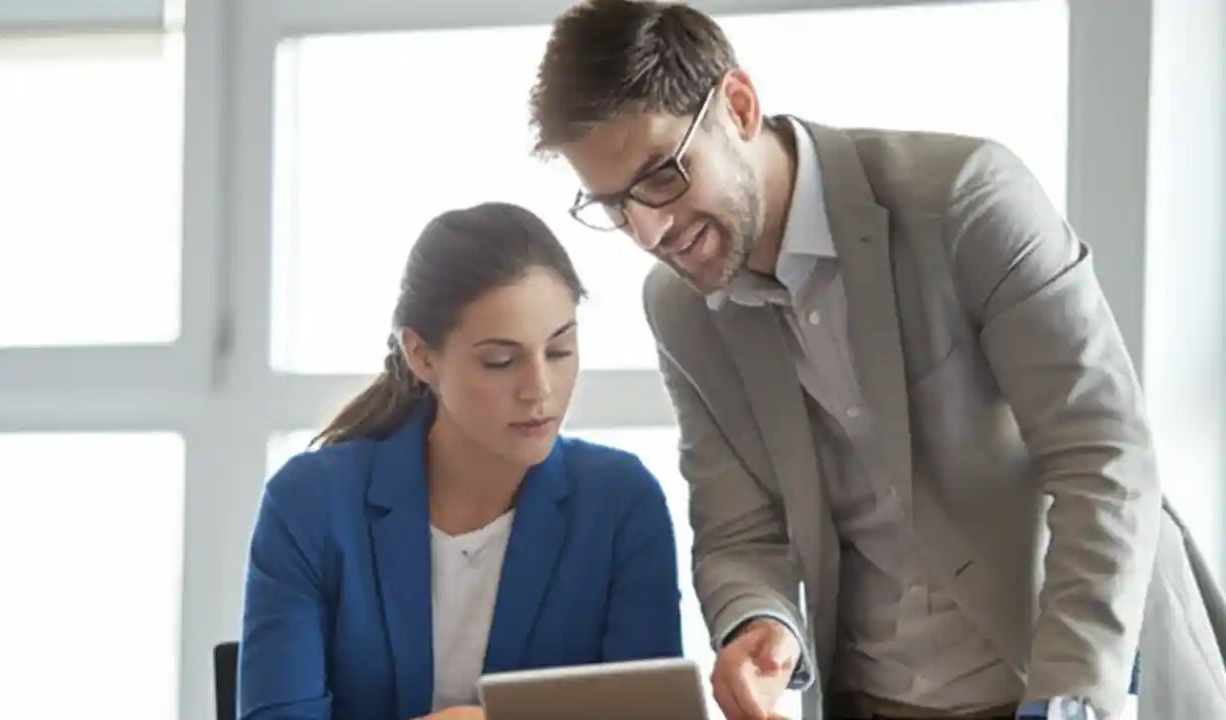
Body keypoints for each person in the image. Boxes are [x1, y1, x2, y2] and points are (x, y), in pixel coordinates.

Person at [527, 2, 1226, 719]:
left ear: (737, 105)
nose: (651, 229)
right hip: (879, 697)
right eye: (615, 205)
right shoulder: (679, 308)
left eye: (664, 175)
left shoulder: (968, 198)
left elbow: (1104, 458)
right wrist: (760, 623)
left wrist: (1068, 702)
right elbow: (741, 530)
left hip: (1074, 678)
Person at [237, 202, 683, 720]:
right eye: (501, 361)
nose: (539, 390)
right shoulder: (310, 504)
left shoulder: (621, 504)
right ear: (422, 356)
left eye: (560, 351)